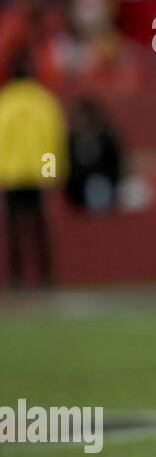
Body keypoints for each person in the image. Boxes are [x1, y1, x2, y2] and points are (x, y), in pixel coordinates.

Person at [0, 53, 66, 288]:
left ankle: (16, 277)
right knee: (40, 229)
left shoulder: (5, 102)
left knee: (13, 231)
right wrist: (50, 175)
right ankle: (46, 276)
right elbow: (51, 142)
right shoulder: (44, 102)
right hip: (38, 174)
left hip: (11, 175)